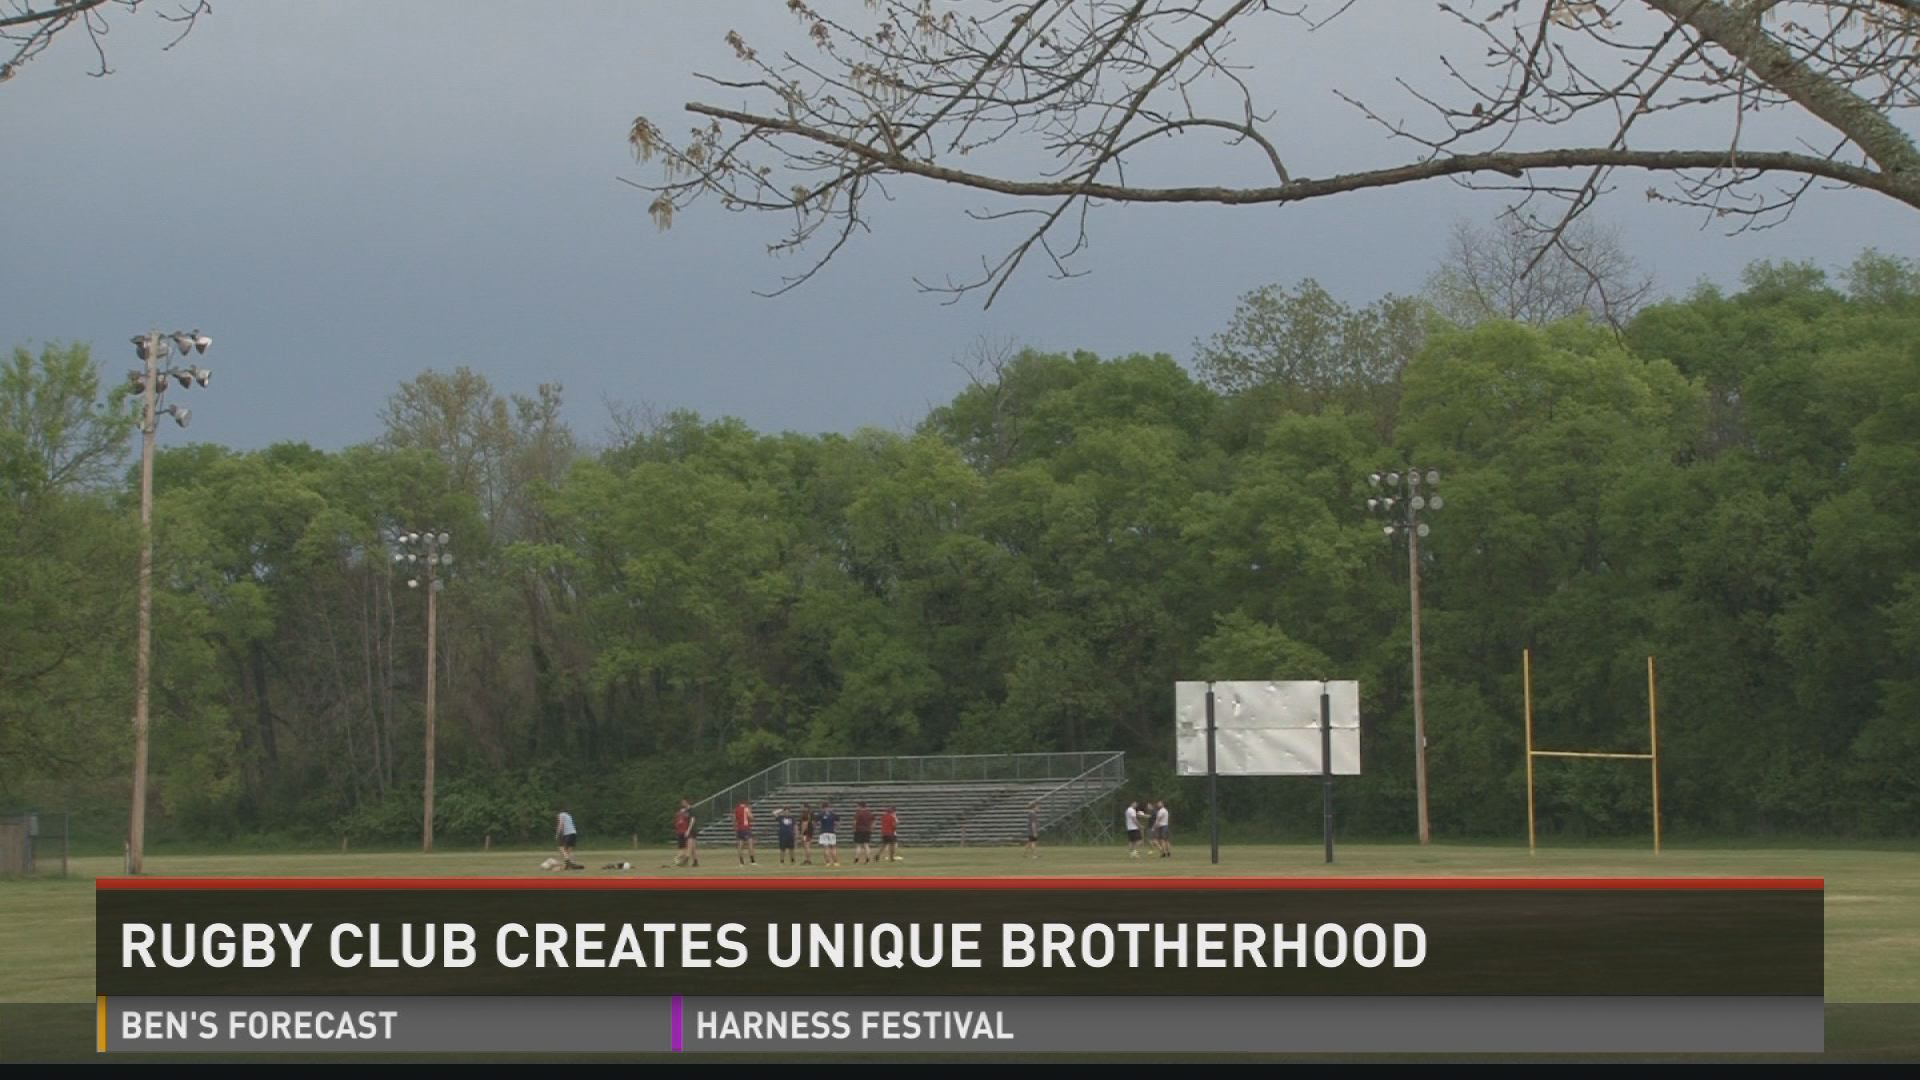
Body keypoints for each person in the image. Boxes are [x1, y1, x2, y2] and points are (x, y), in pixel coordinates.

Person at [672, 799, 700, 868]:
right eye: (682, 802)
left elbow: (692, 820)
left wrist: (688, 830)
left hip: (691, 830)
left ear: (687, 802)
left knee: (690, 846)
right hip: (688, 830)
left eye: (684, 802)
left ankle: (686, 860)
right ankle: (695, 862)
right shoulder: (685, 811)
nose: (682, 804)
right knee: (692, 847)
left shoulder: (691, 810)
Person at [818, 801, 841, 867]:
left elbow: (816, 822)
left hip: (823, 832)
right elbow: (838, 821)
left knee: (826, 848)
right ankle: (835, 862)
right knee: (833, 848)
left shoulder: (821, 814)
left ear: (822, 808)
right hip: (831, 832)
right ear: (829, 807)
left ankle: (827, 862)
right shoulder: (833, 814)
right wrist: (836, 827)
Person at [734, 800, 757, 866]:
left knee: (740, 845)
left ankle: (741, 862)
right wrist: (752, 816)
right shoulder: (746, 809)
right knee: (750, 844)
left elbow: (735, 819)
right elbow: (751, 817)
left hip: (739, 829)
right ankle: (752, 861)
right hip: (746, 828)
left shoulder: (736, 809)